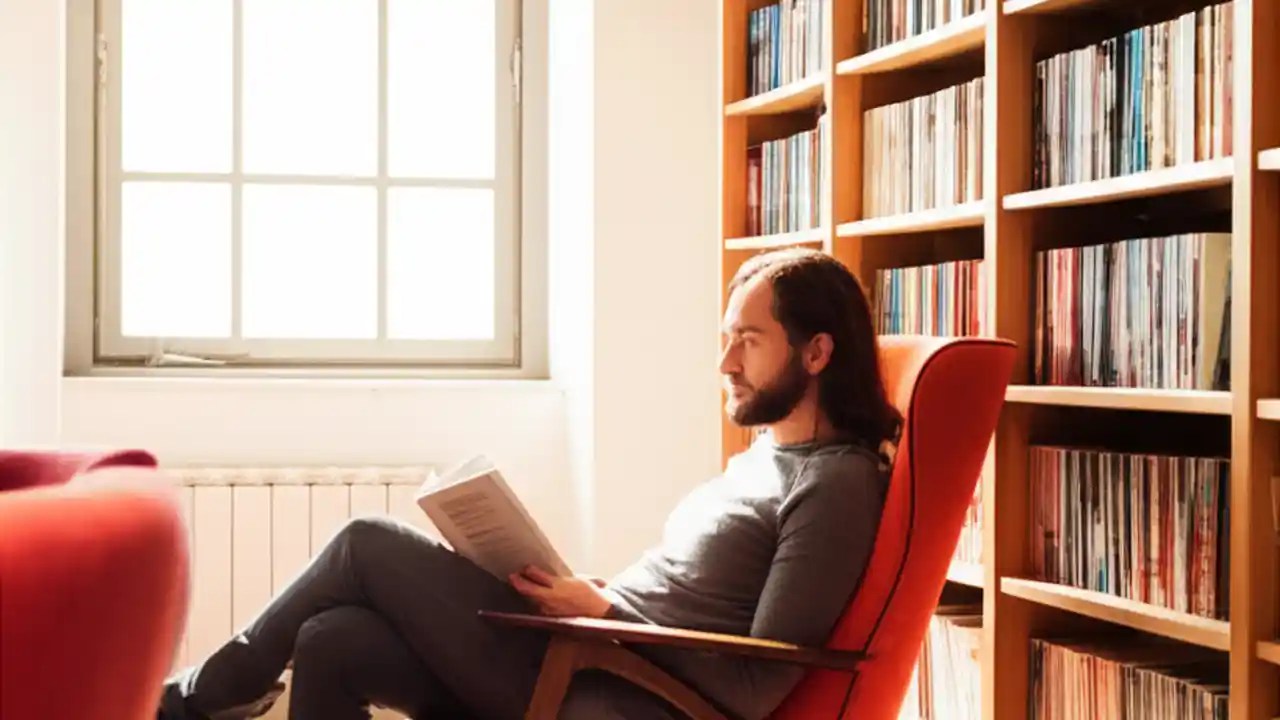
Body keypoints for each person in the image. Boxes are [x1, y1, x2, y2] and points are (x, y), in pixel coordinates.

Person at [158, 247, 901, 720]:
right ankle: (222, 693)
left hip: (607, 689)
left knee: (364, 545)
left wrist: (604, 608)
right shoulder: (763, 457)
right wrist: (586, 596)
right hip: (583, 645)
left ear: (817, 353)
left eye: (749, 340)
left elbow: (755, 686)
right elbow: (690, 602)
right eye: (724, 339)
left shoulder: (834, 487)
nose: (726, 363)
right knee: (330, 640)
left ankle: (198, 700)